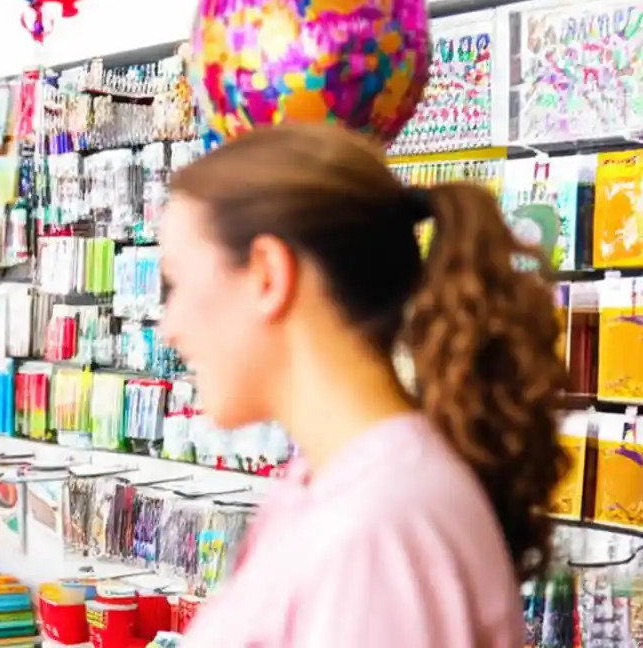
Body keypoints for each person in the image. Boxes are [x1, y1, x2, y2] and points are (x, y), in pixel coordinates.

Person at [163, 124, 564, 646]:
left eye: (177, 280)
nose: (170, 326)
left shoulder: (379, 533)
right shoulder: (337, 488)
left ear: (267, 274)